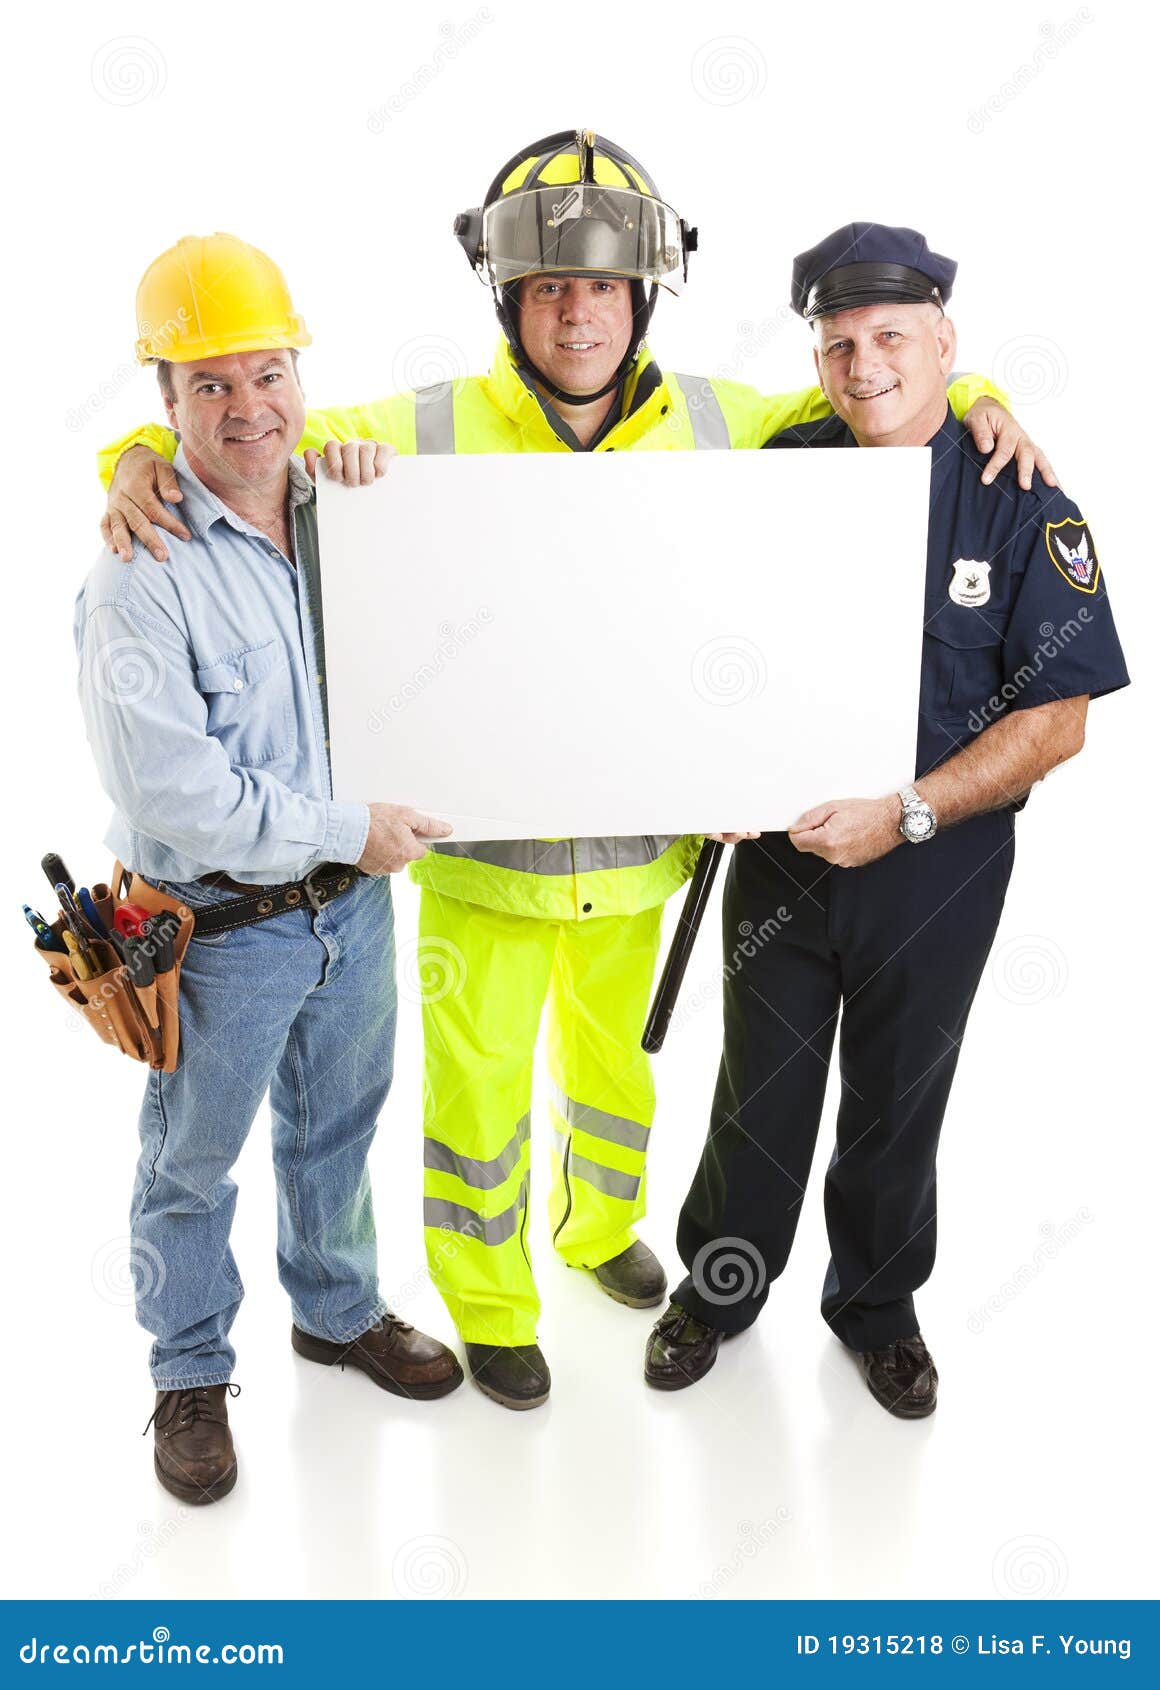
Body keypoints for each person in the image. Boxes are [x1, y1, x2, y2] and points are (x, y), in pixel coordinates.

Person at [95, 149, 1049, 1412]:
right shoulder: (412, 429)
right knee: (476, 1106)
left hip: (639, 859)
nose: (577, 313)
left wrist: (976, 388)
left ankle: (599, 1233)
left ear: (644, 298)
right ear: (507, 300)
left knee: (617, 1079)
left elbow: (874, 402)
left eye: (601, 290)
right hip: (480, 866)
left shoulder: (722, 419)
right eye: (547, 289)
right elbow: (238, 435)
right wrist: (127, 457)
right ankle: (491, 1311)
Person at [646, 223, 1129, 1417]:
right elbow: (707, 639)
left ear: (944, 343)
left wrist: (904, 813)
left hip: (935, 865)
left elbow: (1059, 718)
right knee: (757, 1089)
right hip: (786, 852)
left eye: (890, 338)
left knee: (898, 1093)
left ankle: (875, 1308)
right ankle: (716, 1291)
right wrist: (706, 763)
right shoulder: (781, 468)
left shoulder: (1019, 500)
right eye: (837, 342)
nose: (863, 365)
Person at [75, 234, 462, 1504]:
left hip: (353, 916)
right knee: (190, 1162)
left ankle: (336, 1311)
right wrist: (348, 830)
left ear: (301, 370)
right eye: (208, 385)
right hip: (221, 930)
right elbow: (171, 792)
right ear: (164, 403)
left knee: (337, 1130)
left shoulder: (347, 509)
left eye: (267, 372)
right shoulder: (140, 574)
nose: (248, 408)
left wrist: (371, 484)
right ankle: (188, 1371)